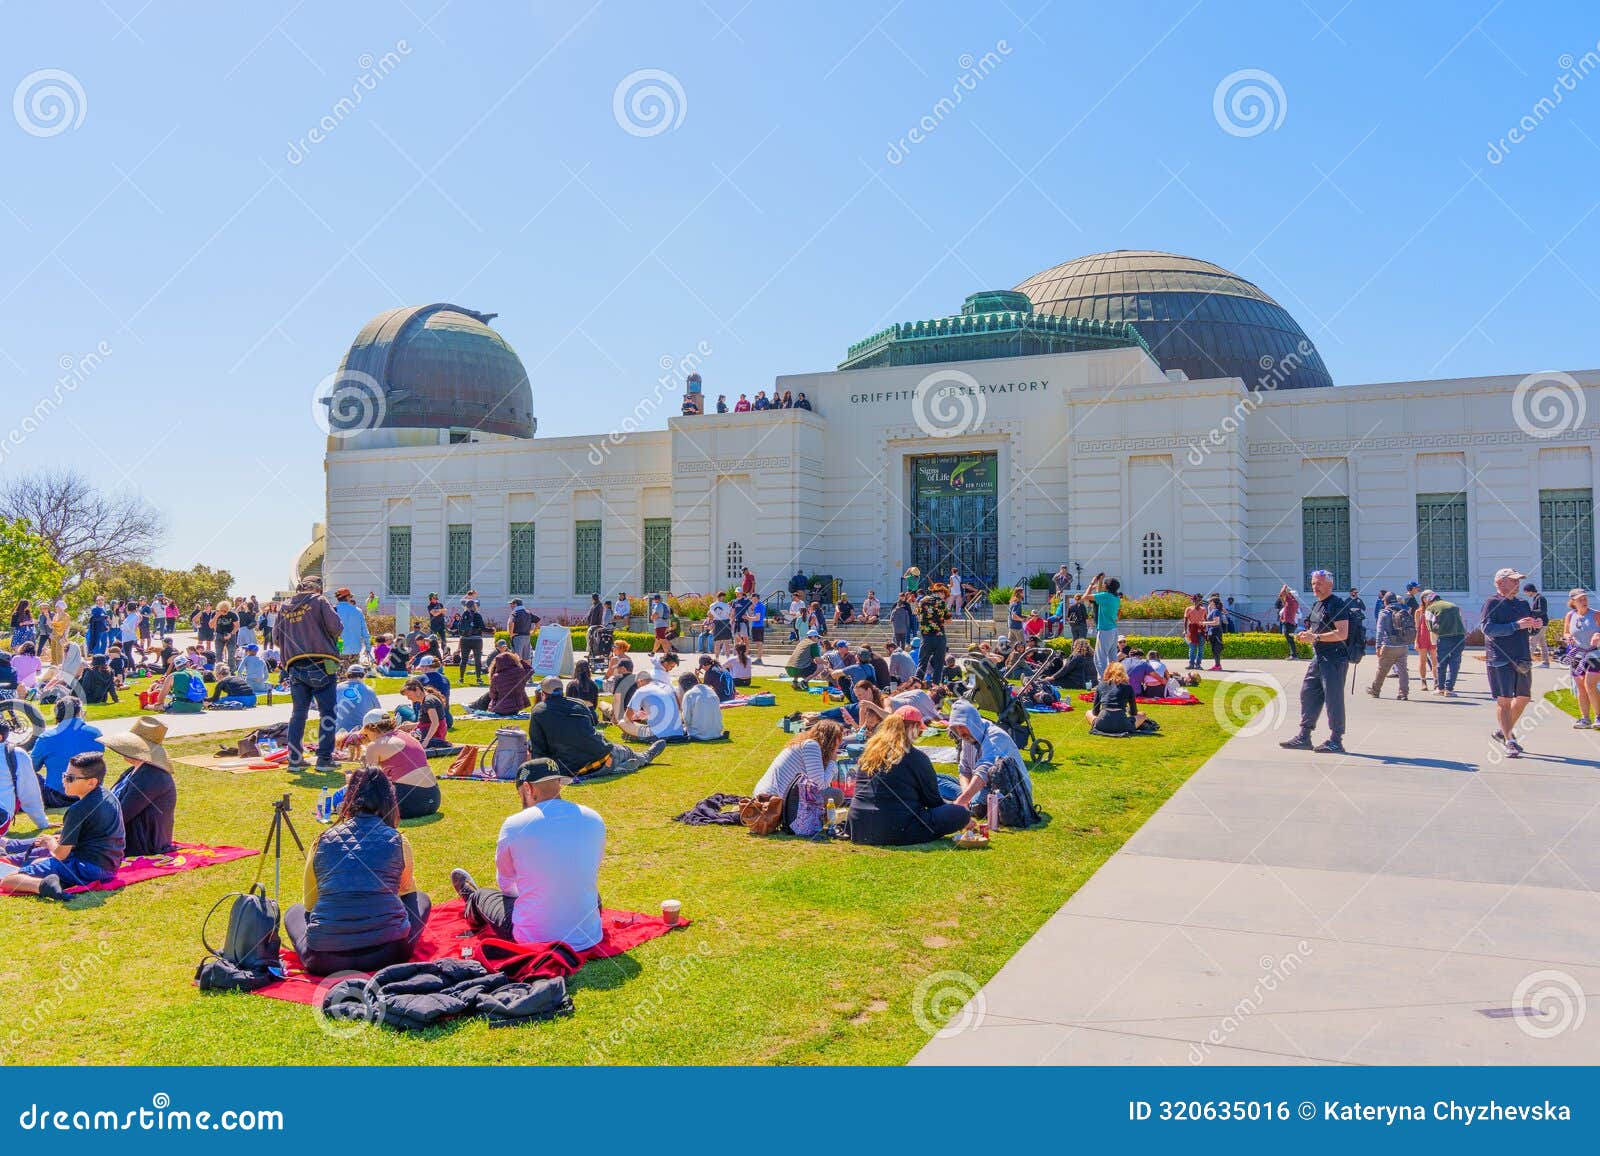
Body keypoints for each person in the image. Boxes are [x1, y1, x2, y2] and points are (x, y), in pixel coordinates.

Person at [283, 768, 432, 974]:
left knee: (294, 911)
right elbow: (406, 893)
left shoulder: (322, 841)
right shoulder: (398, 840)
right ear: (390, 801)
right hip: (391, 952)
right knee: (420, 898)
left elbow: (310, 905)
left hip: (325, 960)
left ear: (348, 799)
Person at [450, 755, 606, 948]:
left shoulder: (515, 824)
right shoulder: (594, 818)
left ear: (527, 788)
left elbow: (506, 885)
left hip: (532, 938)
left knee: (484, 896)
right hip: (589, 935)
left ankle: (471, 901)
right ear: (559, 783)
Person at [1, 751, 123, 900]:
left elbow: (60, 854)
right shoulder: (109, 796)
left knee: (9, 880)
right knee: (38, 860)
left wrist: (49, 842)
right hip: (110, 866)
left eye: (70, 778)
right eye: (65, 775)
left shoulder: (77, 810)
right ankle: (41, 873)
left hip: (87, 868)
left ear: (91, 782)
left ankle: (44, 885)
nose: (64, 781)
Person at [848, 709, 971, 845]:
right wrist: (956, 810)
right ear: (914, 729)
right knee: (960, 813)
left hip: (858, 825)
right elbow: (933, 801)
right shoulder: (916, 758)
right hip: (896, 828)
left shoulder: (869, 754)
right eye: (920, 731)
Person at [530, 676, 665, 778]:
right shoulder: (578, 704)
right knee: (626, 751)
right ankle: (645, 756)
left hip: (569, 769)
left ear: (543, 694)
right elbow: (590, 728)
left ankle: (620, 766)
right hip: (599, 757)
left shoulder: (538, 712)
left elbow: (538, 749)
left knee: (616, 753)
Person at [274, 575, 344, 772]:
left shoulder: (284, 607)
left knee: (298, 714)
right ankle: (324, 759)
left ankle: (294, 759)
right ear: (318, 588)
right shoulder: (319, 601)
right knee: (327, 713)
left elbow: (277, 638)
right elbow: (336, 627)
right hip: (321, 662)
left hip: (295, 664)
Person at [1279, 569, 1353, 754]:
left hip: (1335, 658)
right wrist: (1307, 635)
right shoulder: (1317, 605)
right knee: (1308, 693)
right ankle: (1304, 737)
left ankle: (1336, 740)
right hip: (1319, 658)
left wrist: (1316, 637)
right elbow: (1315, 630)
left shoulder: (1337, 604)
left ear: (1330, 585)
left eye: (1319, 583)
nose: (1315, 587)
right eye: (1313, 583)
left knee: (1333, 699)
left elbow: (1342, 633)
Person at [1481, 567, 1543, 758]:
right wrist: (1515, 625)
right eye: (1513, 580)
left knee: (1524, 698)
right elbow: (1487, 628)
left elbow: (1527, 628)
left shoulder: (1522, 603)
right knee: (1505, 700)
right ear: (1500, 582)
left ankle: (1502, 731)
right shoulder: (1492, 602)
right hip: (1500, 658)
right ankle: (1509, 740)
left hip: (1522, 656)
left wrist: (1534, 626)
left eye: (1518, 580)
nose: (1517, 583)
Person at [752, 720, 842, 836]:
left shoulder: (804, 743)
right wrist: (832, 762)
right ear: (831, 739)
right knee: (835, 794)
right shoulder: (811, 746)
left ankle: (813, 820)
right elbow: (820, 785)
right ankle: (812, 822)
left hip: (768, 799)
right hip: (774, 803)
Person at [103, 717, 177, 857]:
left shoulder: (152, 776)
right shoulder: (133, 771)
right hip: (126, 835)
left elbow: (123, 814)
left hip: (142, 844)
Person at [946, 700, 1032, 810]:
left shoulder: (996, 736)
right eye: (955, 727)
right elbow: (964, 771)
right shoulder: (965, 737)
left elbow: (984, 771)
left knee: (978, 796)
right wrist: (965, 797)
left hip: (1009, 792)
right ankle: (970, 803)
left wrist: (963, 799)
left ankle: (972, 803)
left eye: (961, 725)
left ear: (972, 722)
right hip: (982, 787)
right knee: (937, 780)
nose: (959, 732)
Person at [358, 711, 441, 818]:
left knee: (364, 792)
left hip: (407, 801)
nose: (367, 736)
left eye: (366, 733)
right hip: (434, 798)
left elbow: (368, 781)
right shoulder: (406, 736)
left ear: (369, 728)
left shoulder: (375, 745)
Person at [30, 700, 104, 808]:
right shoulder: (95, 733)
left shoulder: (46, 737)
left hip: (57, 797)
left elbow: (32, 767)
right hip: (91, 794)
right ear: (79, 712)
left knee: (28, 775)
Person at [0, 718, 51, 835]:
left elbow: (30, 794)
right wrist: (42, 823)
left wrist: (43, 823)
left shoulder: (15, 754)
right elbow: (30, 793)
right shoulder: (16, 754)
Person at [1562, 589, 1600, 728]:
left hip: (1595, 653)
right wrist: (1568, 637)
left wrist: (1598, 635)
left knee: (1590, 684)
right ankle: (1585, 719)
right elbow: (1566, 632)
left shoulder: (1596, 614)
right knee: (1580, 686)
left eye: (1585, 598)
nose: (1584, 601)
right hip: (1577, 654)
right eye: (1580, 599)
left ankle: (1598, 717)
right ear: (1573, 602)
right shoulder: (1570, 615)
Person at [1367, 593, 1413, 700]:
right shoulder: (1403, 611)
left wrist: (1378, 646)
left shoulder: (1384, 613)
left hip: (1389, 646)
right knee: (1403, 671)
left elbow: (1379, 631)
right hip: (1403, 646)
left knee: (1382, 670)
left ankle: (1375, 691)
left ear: (1386, 601)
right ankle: (1403, 693)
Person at [1087, 661, 1150, 736]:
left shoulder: (1101, 685)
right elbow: (1134, 712)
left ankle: (1105, 724)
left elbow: (1095, 711)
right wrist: (1127, 710)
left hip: (1102, 723)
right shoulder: (1128, 687)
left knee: (1088, 712)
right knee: (1142, 714)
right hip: (1122, 724)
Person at [1424, 590, 1466, 696]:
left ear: (1429, 601)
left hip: (1444, 637)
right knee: (1454, 663)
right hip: (1460, 637)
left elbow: (1430, 627)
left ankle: (1441, 688)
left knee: (1442, 663)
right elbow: (1460, 620)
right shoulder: (1453, 606)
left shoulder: (1430, 608)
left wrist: (1434, 642)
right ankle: (1449, 689)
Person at [400, 677, 452, 749]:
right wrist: (410, 725)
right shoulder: (426, 699)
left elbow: (435, 723)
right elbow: (427, 722)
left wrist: (426, 741)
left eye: (409, 694)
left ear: (417, 690)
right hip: (429, 732)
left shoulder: (428, 701)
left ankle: (438, 742)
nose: (408, 698)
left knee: (403, 740)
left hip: (435, 735)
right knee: (404, 731)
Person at [334, 664, 382, 735]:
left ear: (347, 675)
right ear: (363, 675)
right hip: (361, 734)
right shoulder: (369, 690)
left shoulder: (337, 688)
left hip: (339, 734)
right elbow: (379, 712)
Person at [678, 671, 726, 741]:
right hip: (716, 733)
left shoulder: (689, 695)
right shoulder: (711, 691)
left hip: (698, 735)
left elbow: (686, 719)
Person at [915, 587, 949, 682]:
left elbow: (918, 616)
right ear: (941, 592)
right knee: (939, 664)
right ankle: (936, 685)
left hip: (926, 637)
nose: (944, 596)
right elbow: (949, 620)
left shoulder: (922, 602)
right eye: (944, 594)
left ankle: (917, 683)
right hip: (939, 636)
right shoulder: (942, 603)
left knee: (922, 662)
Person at [1091, 578, 1122, 675]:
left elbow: (1084, 597)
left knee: (1099, 658)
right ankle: (1115, 677)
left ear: (1106, 586)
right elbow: (1100, 593)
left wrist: (1091, 584)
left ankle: (1103, 680)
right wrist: (1100, 581)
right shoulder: (1116, 598)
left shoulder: (1105, 596)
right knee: (1112, 657)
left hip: (1105, 629)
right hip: (1113, 629)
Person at [454, 599, 488, 685]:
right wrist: (492, 630)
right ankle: (478, 679)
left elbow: (459, 628)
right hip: (477, 640)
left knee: (464, 659)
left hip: (465, 640)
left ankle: (461, 679)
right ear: (474, 606)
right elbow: (483, 628)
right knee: (478, 660)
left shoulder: (464, 615)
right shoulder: (477, 615)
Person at [1524, 582, 1551, 667]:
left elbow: (1543, 610)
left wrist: (1530, 612)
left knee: (1532, 642)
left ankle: (1526, 662)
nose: (1526, 594)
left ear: (1530, 591)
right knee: (1542, 644)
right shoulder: (1536, 598)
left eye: (1526, 592)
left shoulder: (1540, 598)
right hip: (1541, 623)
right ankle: (1546, 663)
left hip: (1541, 623)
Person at [1414, 590, 1437, 691]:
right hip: (1422, 637)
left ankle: (1436, 681)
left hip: (1433, 637)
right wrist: (1416, 641)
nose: (1428, 599)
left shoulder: (1436, 610)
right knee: (1422, 660)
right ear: (1422, 599)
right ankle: (1423, 681)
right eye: (1425, 597)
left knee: (1435, 661)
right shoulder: (1418, 612)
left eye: (1430, 596)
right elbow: (1417, 628)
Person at [1275, 584, 1301, 659]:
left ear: (1291, 595)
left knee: (1290, 640)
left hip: (1288, 623)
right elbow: (1282, 598)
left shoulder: (1290, 601)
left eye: (1289, 594)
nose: (1288, 594)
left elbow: (1282, 593)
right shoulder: (1295, 602)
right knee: (1290, 639)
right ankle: (1293, 654)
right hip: (1291, 624)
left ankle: (1293, 655)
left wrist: (1284, 586)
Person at [1183, 594, 1207, 670]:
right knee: (1192, 648)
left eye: (1200, 600)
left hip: (1201, 631)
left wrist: (1206, 630)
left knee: (1201, 649)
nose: (1199, 601)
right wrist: (1185, 630)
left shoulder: (1204, 609)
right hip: (1192, 631)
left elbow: (1206, 620)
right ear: (1193, 600)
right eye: (1197, 600)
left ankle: (1198, 664)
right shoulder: (1189, 609)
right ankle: (1191, 664)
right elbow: (1185, 620)